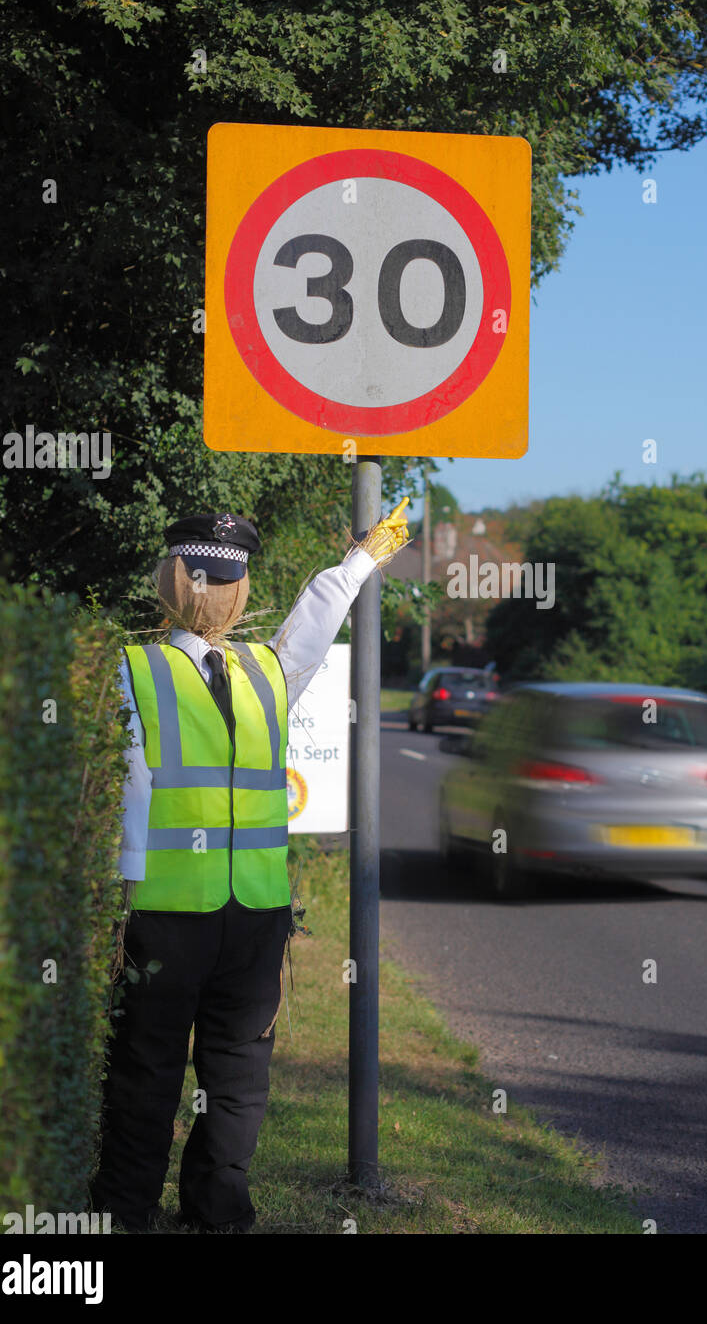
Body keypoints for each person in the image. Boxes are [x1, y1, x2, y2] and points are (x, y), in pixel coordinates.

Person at [90, 502, 408, 1233]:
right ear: (233, 591)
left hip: (188, 919)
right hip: (234, 921)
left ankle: (145, 1213)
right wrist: (358, 561)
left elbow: (129, 797)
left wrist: (113, 901)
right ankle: (191, 1214)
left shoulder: (142, 671)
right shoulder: (261, 672)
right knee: (217, 1082)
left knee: (169, 1077)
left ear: (169, 581)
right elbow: (311, 623)